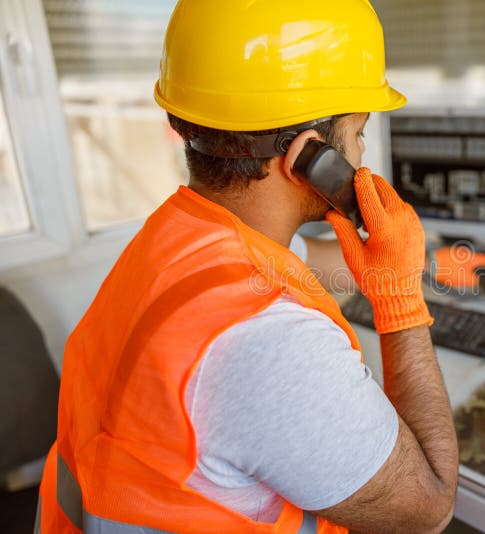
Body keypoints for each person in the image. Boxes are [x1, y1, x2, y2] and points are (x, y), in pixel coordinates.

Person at [36, 1, 458, 533]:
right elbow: (428, 509)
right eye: (359, 135)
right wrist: (401, 303)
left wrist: (411, 261)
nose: (360, 154)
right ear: (310, 157)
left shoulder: (177, 240)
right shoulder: (267, 343)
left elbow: (293, 265)